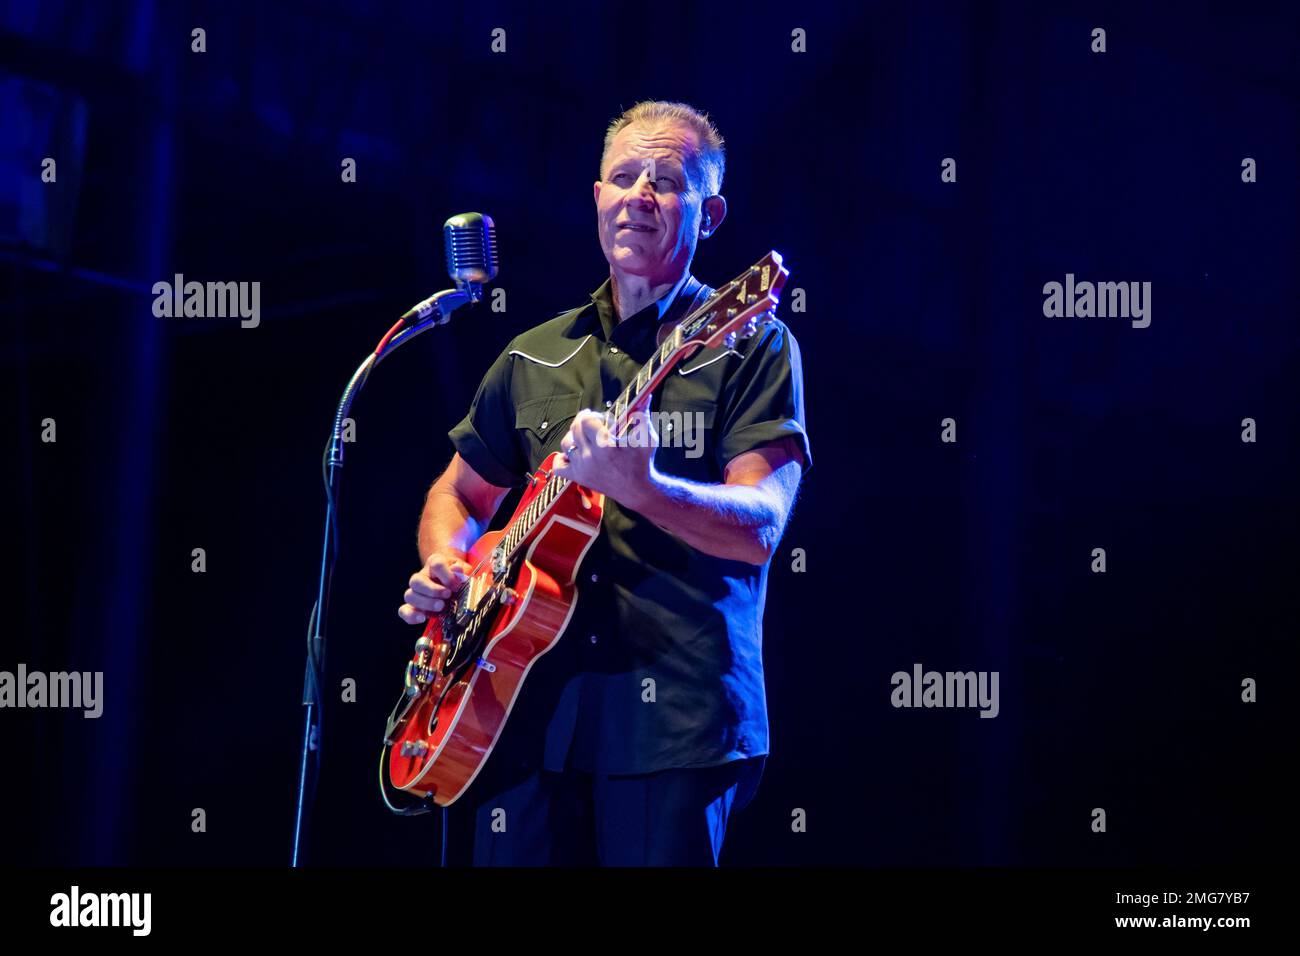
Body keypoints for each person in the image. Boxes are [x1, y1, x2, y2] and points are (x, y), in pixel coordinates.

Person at [398, 100, 811, 865]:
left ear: (710, 213)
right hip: (511, 713)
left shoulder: (751, 344)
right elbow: (455, 495)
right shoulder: (533, 355)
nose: (640, 196)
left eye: (667, 182)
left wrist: (644, 487)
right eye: (624, 177)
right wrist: (446, 563)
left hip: (673, 725)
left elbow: (761, 527)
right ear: (597, 198)